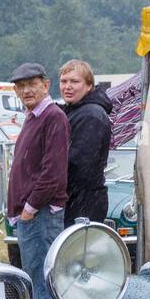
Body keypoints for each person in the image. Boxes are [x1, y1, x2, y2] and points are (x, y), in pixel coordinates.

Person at [5, 62, 69, 299]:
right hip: (33, 215)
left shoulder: (53, 116)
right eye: (20, 86)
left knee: (43, 287)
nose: (26, 90)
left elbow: (52, 173)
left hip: (41, 215)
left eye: (32, 84)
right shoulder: (34, 116)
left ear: (46, 85)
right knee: (35, 281)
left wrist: (29, 210)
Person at [59, 60, 113, 228]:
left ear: (89, 86)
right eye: (64, 81)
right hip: (75, 199)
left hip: (83, 202)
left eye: (74, 81)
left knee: (74, 255)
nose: (68, 86)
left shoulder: (91, 115)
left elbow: (80, 165)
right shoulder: (74, 111)